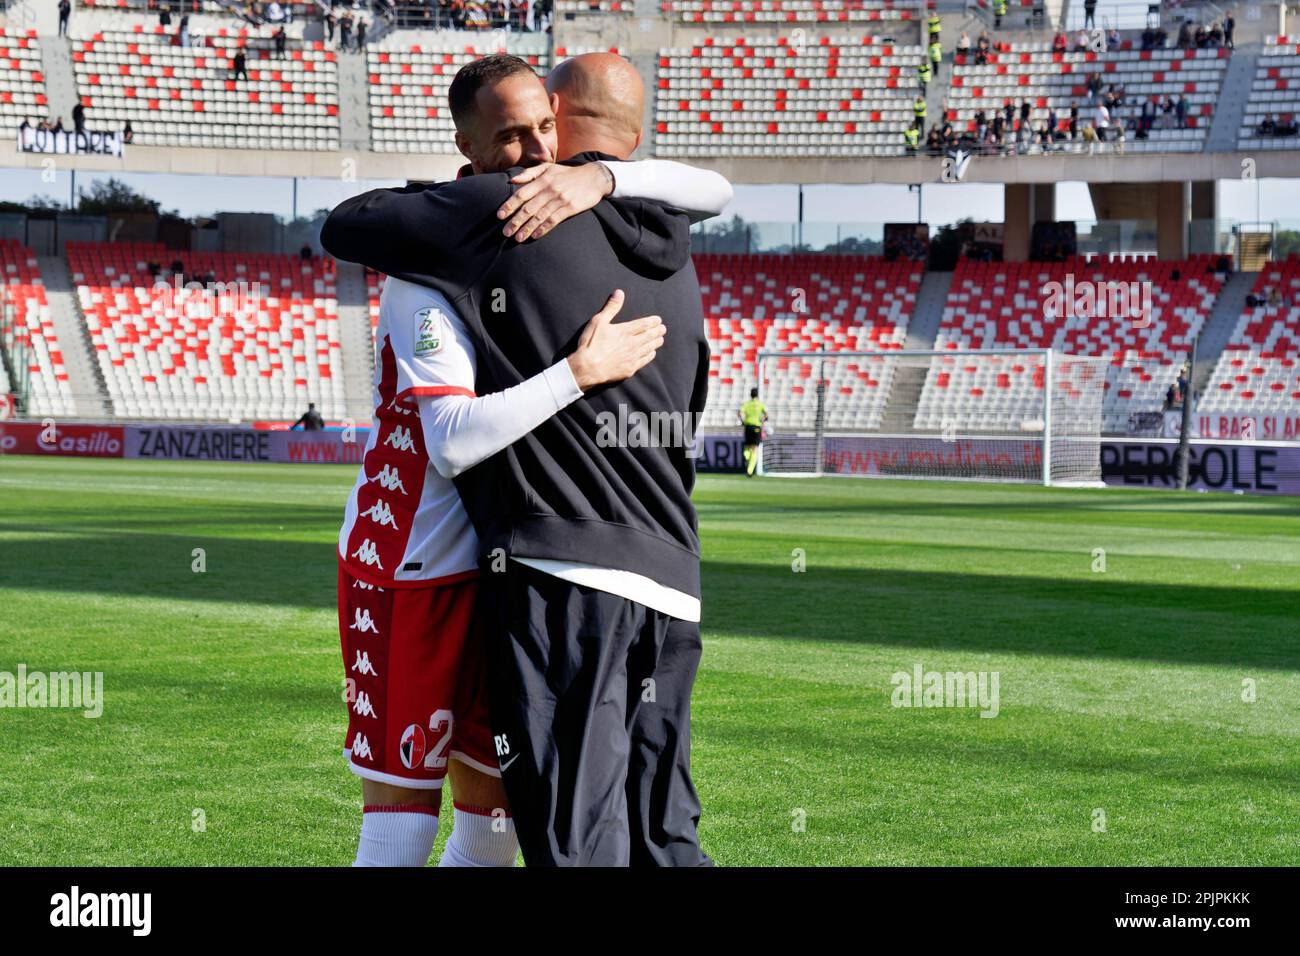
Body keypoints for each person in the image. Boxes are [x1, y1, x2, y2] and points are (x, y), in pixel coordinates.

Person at [322, 53, 729, 867]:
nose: (537, 154)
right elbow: (451, 441)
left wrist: (603, 181)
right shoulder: (447, 245)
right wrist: (576, 373)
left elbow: (715, 188)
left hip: (508, 570)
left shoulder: (589, 209)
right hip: (410, 562)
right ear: (468, 150)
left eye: (545, 127)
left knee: (494, 828)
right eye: (511, 137)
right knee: (402, 822)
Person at [738, 387, 768, 478]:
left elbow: (739, 413)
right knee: (755, 449)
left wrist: (742, 421)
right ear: (757, 395)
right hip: (756, 427)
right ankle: (750, 470)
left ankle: (746, 456)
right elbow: (766, 415)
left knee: (748, 446)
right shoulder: (760, 404)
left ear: (750, 394)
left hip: (748, 426)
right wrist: (763, 420)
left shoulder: (747, 404)